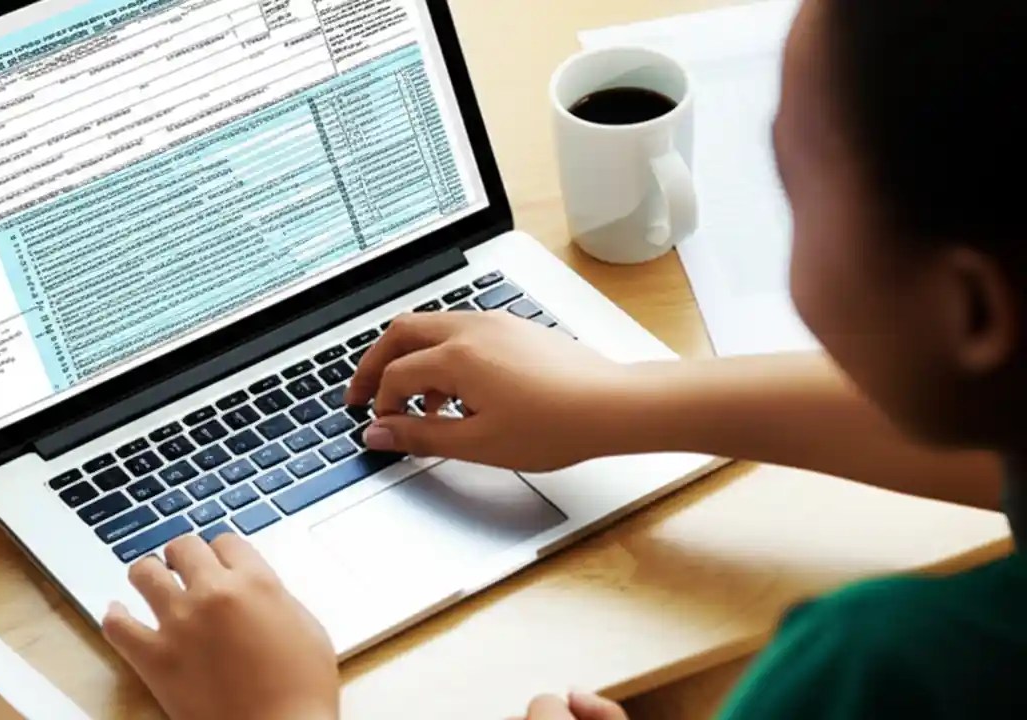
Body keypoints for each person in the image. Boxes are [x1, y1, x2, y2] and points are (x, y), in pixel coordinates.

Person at [97, 0, 1027, 717]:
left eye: (790, 180)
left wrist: (279, 711)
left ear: (969, 308)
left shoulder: (881, 676)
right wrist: (619, 400)